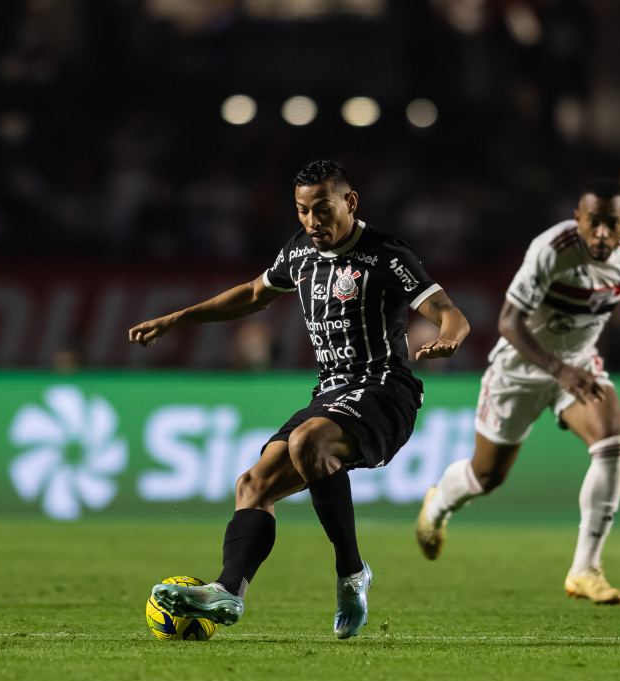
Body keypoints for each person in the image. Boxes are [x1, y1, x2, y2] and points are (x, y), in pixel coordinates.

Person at [129, 160, 469, 638]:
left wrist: (449, 337)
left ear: (349, 203)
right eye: (303, 211)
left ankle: (352, 572)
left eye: (323, 209)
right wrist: (177, 318)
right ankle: (228, 590)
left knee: (309, 442)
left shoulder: (386, 254)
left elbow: (447, 311)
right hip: (330, 392)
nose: (313, 221)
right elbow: (252, 294)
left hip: (385, 390)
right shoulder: (299, 253)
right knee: (252, 484)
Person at [415, 178, 620, 605]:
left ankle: (585, 568)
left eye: (611, 225)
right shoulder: (552, 249)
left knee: (612, 442)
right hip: (521, 368)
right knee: (485, 477)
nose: (602, 234)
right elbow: (509, 321)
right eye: (593, 223)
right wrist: (557, 369)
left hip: (578, 365)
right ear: (577, 219)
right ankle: (439, 504)